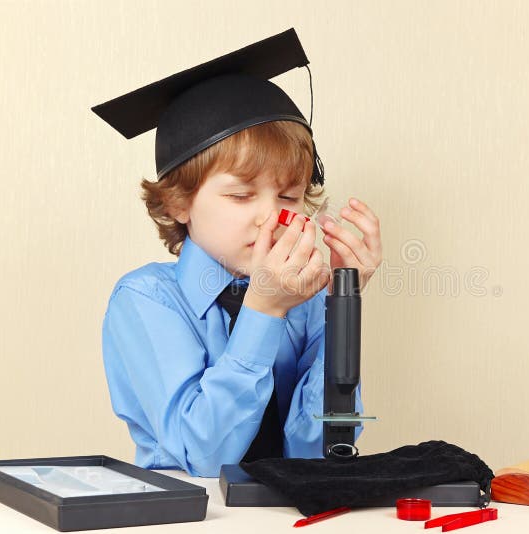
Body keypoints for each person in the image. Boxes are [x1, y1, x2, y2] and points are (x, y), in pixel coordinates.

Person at [93, 30, 382, 477]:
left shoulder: (304, 303)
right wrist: (264, 311)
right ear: (178, 203)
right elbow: (205, 455)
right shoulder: (145, 299)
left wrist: (341, 302)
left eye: (288, 196)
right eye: (242, 196)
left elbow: (321, 449)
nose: (271, 217)